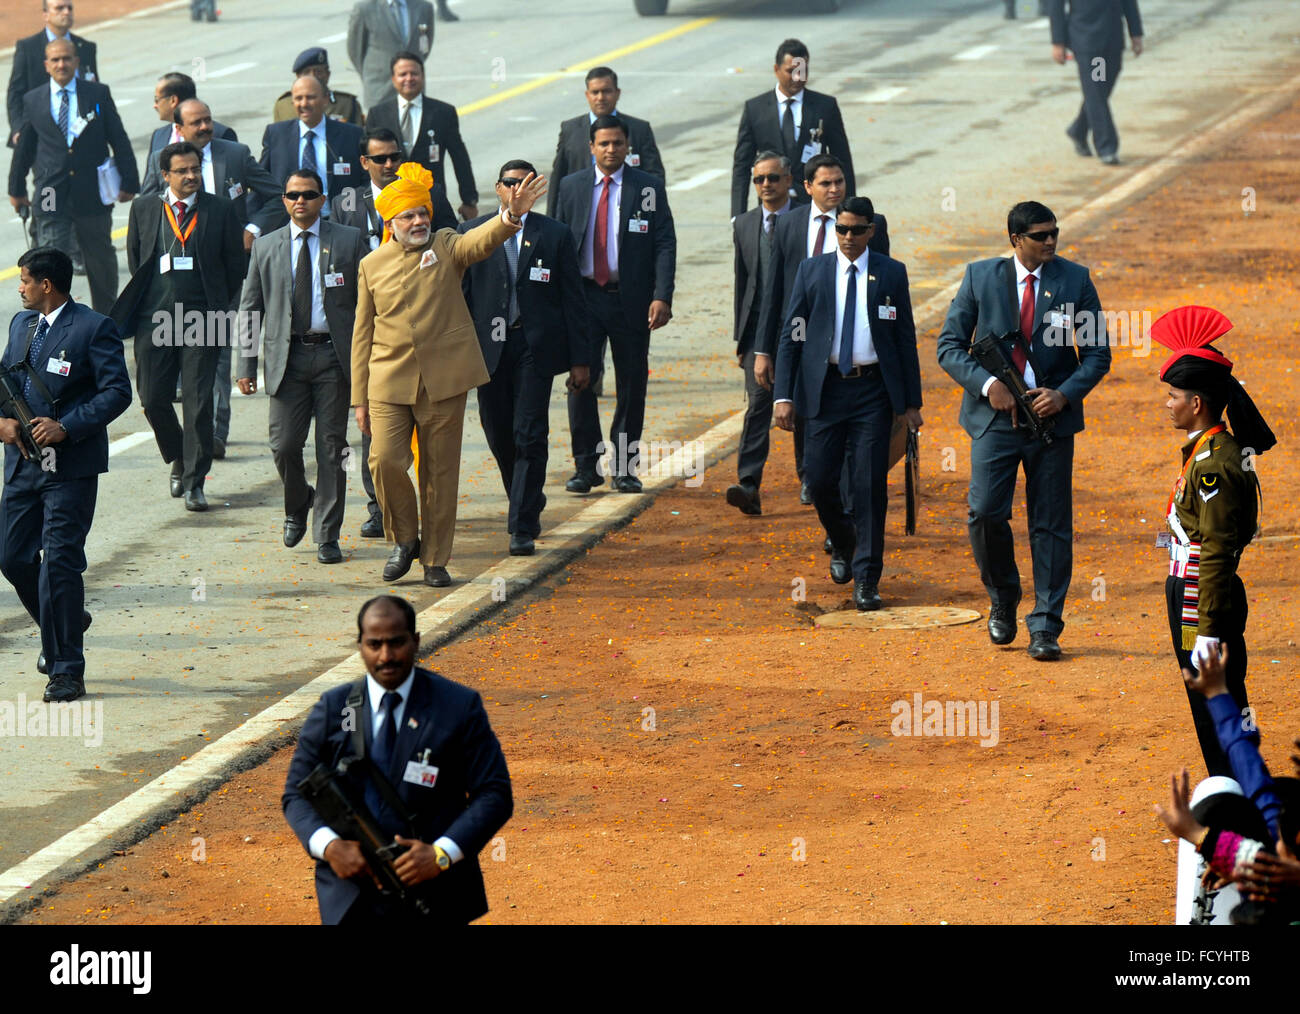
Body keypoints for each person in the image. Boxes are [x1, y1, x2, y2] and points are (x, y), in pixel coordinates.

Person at [352, 162, 544, 587]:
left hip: (443, 381)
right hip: (388, 380)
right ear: (391, 222)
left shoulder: (444, 245)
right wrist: (359, 399)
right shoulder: (372, 264)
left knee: (439, 472)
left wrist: (510, 216)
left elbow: (479, 242)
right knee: (383, 461)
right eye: (409, 216)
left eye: (423, 213)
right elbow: (361, 334)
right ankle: (405, 539)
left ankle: (434, 560)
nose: (419, 221)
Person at [936, 201, 1111, 660]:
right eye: (1040, 235)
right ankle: (1003, 596)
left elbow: (1096, 354)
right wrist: (989, 384)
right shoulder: (980, 277)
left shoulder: (1076, 280)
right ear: (1016, 240)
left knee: (1050, 524)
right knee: (985, 513)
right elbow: (949, 346)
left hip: (1051, 423)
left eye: (1054, 232)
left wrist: (1065, 394)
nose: (1051, 241)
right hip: (995, 420)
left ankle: (1046, 625)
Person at [282, 595, 512, 925]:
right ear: (360, 645)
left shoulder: (457, 707)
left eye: (396, 643)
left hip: (435, 894)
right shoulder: (336, 709)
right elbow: (295, 794)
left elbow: (494, 793)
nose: (386, 656)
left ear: (416, 641)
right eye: (374, 644)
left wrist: (441, 854)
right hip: (353, 898)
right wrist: (330, 847)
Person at [773, 197, 922, 611]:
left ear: (871, 230)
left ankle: (867, 579)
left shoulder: (891, 273)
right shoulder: (813, 271)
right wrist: (783, 395)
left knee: (868, 484)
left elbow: (905, 338)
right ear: (834, 230)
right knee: (819, 481)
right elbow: (792, 335)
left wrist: (911, 402)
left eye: (858, 230)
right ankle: (844, 543)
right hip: (824, 392)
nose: (849, 237)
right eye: (842, 229)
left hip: (873, 392)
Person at [0, 248, 131, 703]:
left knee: (59, 562)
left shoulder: (94, 328)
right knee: (13, 557)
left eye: (25, 280)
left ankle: (65, 668)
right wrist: (3, 422)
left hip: (70, 465)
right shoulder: (21, 326)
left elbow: (117, 391)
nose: (19, 287)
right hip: (21, 464)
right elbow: (4, 382)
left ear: (47, 285)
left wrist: (67, 426)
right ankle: (66, 619)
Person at [1152, 304, 1275, 777]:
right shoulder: (1207, 452)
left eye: (1174, 395)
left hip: (1199, 598)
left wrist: (1205, 629)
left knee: (1218, 703)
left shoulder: (1215, 464)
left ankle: (1240, 805)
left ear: (1197, 403)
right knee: (1210, 701)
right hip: (1192, 591)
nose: (1168, 403)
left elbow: (1218, 551)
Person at [236, 170, 369, 565]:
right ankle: (299, 502)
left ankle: (327, 534)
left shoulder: (347, 241)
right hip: (286, 359)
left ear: (322, 199)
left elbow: (368, 301)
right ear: (284, 200)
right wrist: (244, 363)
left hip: (334, 358)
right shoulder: (267, 247)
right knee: (284, 446)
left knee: (333, 449)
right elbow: (249, 307)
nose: (300, 201)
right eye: (293, 195)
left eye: (309, 195)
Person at [459, 159, 590, 556]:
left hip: (534, 348)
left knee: (529, 432)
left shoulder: (555, 235)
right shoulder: (473, 233)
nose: (518, 189)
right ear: (499, 189)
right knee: (498, 432)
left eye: (526, 183)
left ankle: (521, 524)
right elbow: (460, 298)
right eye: (511, 183)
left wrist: (581, 359)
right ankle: (526, 497)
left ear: (537, 189)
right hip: (488, 351)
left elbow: (574, 300)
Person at [139, 98, 283, 459]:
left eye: (208, 120)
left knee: (222, 353)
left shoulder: (235, 154)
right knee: (190, 368)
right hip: (182, 287)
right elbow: (146, 205)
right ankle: (196, 440)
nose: (205, 127)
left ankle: (216, 433)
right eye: (196, 123)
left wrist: (252, 227)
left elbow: (277, 197)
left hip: (229, 271)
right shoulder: (165, 156)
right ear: (180, 129)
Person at [331, 127, 456, 540]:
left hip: (427, 341)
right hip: (370, 327)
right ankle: (381, 509)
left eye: (394, 157)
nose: (388, 165)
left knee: (432, 457)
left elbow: (461, 250)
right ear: (364, 162)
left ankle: (429, 542)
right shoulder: (346, 205)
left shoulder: (422, 194)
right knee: (380, 447)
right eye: (379, 159)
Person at [111, 142, 245, 512]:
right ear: (165, 175)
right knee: (153, 398)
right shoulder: (143, 208)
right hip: (154, 319)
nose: (191, 177)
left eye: (195, 170)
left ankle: (194, 482)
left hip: (204, 320)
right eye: (182, 171)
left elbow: (235, 266)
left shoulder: (219, 209)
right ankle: (178, 455)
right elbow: (138, 260)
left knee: (199, 403)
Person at [552, 114, 676, 495]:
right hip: (583, 300)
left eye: (617, 143)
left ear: (627, 147)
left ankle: (624, 468)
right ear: (591, 147)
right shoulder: (571, 187)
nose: (610, 150)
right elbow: (555, 243)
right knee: (580, 381)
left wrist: (661, 295)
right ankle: (586, 467)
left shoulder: (648, 188)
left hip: (630, 301)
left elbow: (664, 243)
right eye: (603, 144)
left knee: (631, 383)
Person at [755, 153, 888, 506]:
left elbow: (882, 281)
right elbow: (774, 291)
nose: (834, 189)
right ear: (808, 187)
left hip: (850, 336)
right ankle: (808, 476)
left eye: (839, 182)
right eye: (826, 183)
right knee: (804, 405)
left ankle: (841, 489)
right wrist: (763, 349)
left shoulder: (871, 223)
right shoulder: (789, 224)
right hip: (802, 333)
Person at [7, 40, 138, 317]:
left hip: (90, 191)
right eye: (55, 60)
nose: (61, 65)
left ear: (76, 62)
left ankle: (106, 319)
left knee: (100, 258)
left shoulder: (97, 94)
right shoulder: (34, 99)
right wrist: (16, 187)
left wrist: (129, 180)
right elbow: (24, 149)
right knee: (47, 260)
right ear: (46, 65)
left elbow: (118, 137)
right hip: (49, 192)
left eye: (66, 59)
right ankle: (52, 321)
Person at [725, 151, 794, 517]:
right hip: (757, 335)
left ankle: (811, 482)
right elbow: (743, 284)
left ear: (789, 180)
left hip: (799, 328)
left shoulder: (804, 220)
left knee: (805, 406)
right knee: (757, 406)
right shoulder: (744, 224)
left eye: (773, 178)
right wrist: (742, 341)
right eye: (759, 180)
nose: (766, 185)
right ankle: (749, 484)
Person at [731, 38, 854, 220]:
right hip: (772, 207)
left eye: (802, 71)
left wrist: (848, 210)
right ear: (776, 69)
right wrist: (738, 215)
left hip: (813, 206)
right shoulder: (755, 109)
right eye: (791, 71)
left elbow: (842, 159)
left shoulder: (824, 107)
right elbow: (742, 165)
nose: (797, 77)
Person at [365, 51, 478, 221]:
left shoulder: (443, 112)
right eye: (403, 74)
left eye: (414, 73)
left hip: (432, 202)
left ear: (423, 76)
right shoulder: (378, 114)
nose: (409, 78)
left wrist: (469, 200)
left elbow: (460, 157)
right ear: (393, 78)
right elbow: (370, 161)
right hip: (392, 202)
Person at [251, 74, 364, 233]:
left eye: (310, 97)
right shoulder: (276, 134)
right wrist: (253, 225)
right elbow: (261, 183)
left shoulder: (351, 135)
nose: (304, 104)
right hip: (289, 226)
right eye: (298, 98)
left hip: (341, 226)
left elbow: (364, 183)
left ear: (325, 99)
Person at [547, 65, 664, 216]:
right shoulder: (571, 129)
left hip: (626, 213)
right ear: (587, 95)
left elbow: (654, 176)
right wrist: (551, 220)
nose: (601, 97)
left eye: (606, 91)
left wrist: (646, 212)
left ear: (617, 93)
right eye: (595, 92)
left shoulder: (639, 129)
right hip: (581, 213)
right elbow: (558, 178)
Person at [1048, 0, 1144, 165]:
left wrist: (1135, 33)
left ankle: (1079, 129)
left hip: (1113, 35)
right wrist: (1058, 41)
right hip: (1088, 38)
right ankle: (1107, 147)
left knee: (1102, 87)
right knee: (1096, 89)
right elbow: (1056, 5)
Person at [7, 0, 97, 148]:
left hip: (81, 133)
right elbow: (16, 92)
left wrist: (99, 122)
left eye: (69, 8)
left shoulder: (85, 47)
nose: (66, 12)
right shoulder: (28, 48)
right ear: (45, 15)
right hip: (42, 135)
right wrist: (18, 128)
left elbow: (96, 93)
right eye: (60, 8)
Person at [346, 0, 436, 110]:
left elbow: (424, 47)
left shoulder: (423, 7)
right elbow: (355, 49)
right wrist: (371, 75)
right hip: (380, 90)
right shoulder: (365, 9)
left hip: (412, 90)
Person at [145, 73, 237, 169]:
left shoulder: (220, 133)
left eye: (157, 99)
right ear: (179, 129)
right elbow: (151, 180)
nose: (155, 105)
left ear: (173, 100)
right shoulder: (159, 136)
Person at [271, 48, 364, 126]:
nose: (313, 76)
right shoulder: (283, 106)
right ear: (298, 77)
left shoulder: (347, 105)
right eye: (306, 72)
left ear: (327, 75)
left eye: (318, 72)